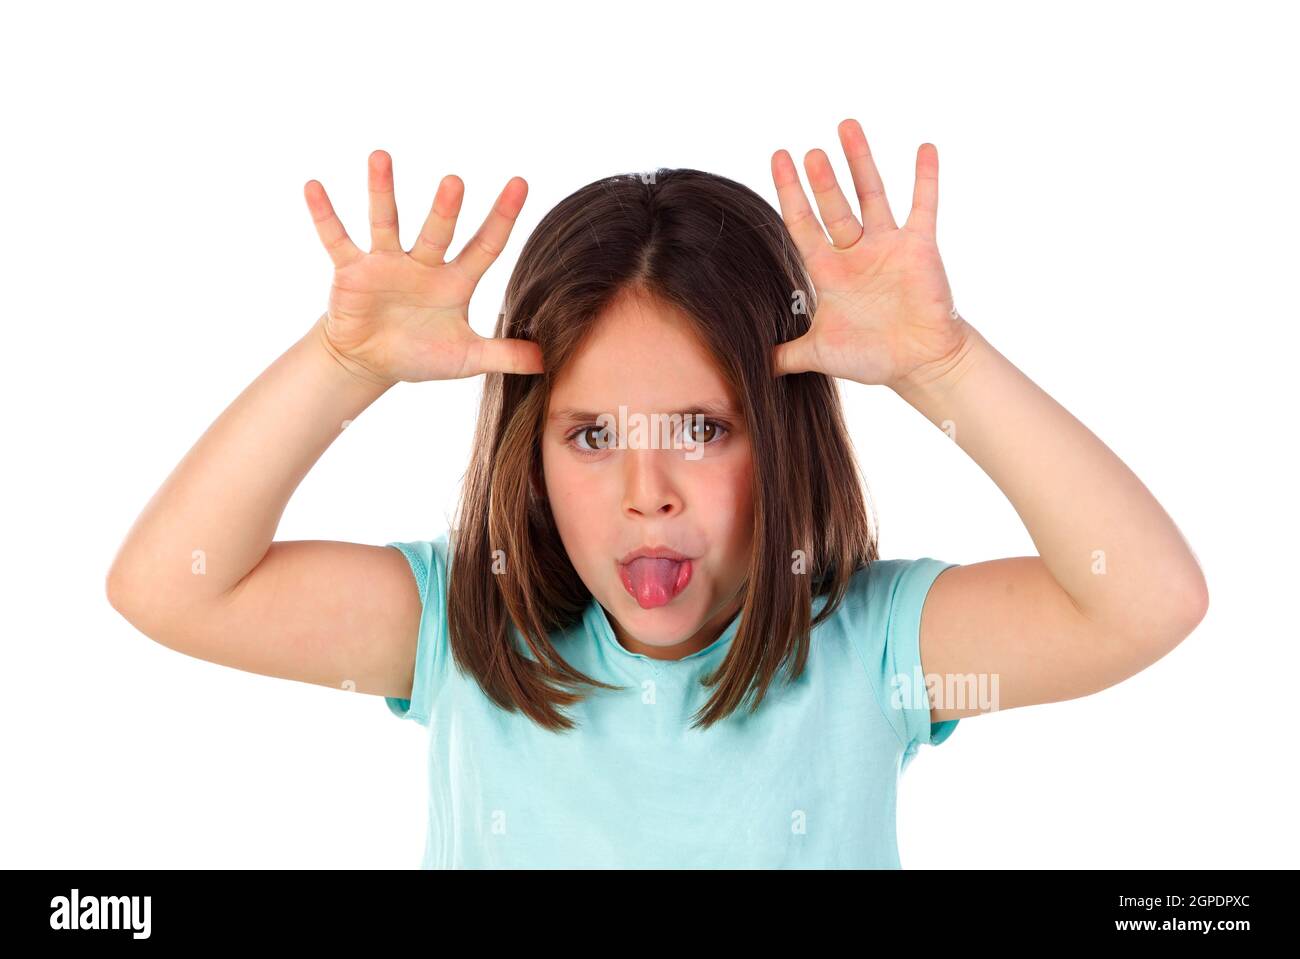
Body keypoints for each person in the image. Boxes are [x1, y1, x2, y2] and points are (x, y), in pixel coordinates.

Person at [106, 119, 1209, 868]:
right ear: (528, 456)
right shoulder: (464, 627)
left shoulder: (871, 646)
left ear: (780, 437)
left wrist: (945, 365)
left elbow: (1143, 599)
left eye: (700, 427)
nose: (648, 493)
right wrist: (342, 367)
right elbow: (171, 587)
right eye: (591, 434)